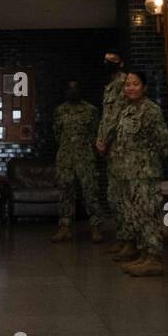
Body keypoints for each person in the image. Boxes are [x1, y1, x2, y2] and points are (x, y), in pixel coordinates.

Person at [111, 70, 168, 277]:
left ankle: (154, 258)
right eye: (127, 84)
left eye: (135, 84)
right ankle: (144, 254)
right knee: (135, 215)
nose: (131, 88)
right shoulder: (126, 111)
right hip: (128, 172)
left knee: (148, 214)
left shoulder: (151, 110)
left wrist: (150, 161)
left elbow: (163, 142)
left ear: (144, 87)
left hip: (145, 172)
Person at [51, 80, 104, 243]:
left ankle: (95, 228)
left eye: (75, 88)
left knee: (90, 192)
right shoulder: (60, 111)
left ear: (80, 91)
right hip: (65, 158)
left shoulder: (91, 110)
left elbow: (96, 133)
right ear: (66, 91)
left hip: (85, 157)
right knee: (65, 192)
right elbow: (57, 134)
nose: (72, 91)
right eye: (69, 88)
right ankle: (65, 227)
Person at [95, 52, 129, 255]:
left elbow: (116, 116)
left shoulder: (124, 82)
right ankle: (123, 238)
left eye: (112, 60)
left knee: (123, 196)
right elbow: (106, 116)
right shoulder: (109, 85)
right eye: (105, 59)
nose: (107, 63)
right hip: (111, 149)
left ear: (121, 62)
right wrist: (100, 139)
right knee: (114, 195)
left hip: (120, 147)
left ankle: (129, 241)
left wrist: (104, 139)